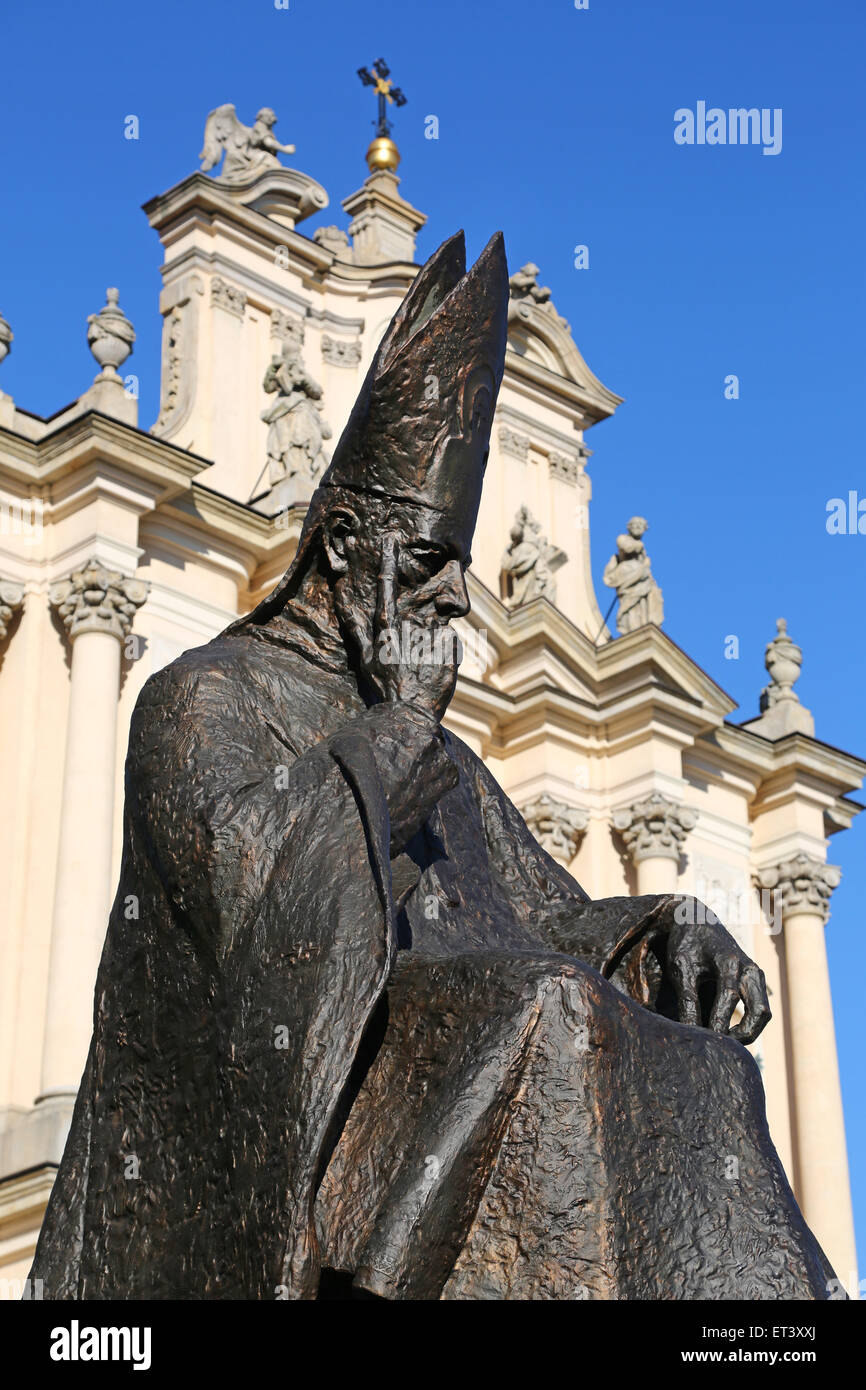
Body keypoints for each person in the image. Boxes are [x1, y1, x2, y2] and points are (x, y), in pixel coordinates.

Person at [31, 231, 835, 1301]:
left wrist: (658, 929)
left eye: (455, 570)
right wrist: (385, 752)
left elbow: (545, 915)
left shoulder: (433, 733)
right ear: (343, 540)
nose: (452, 598)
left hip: (432, 1069)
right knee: (541, 1010)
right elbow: (235, 915)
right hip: (254, 1142)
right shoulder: (204, 694)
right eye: (421, 566)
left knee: (705, 1063)